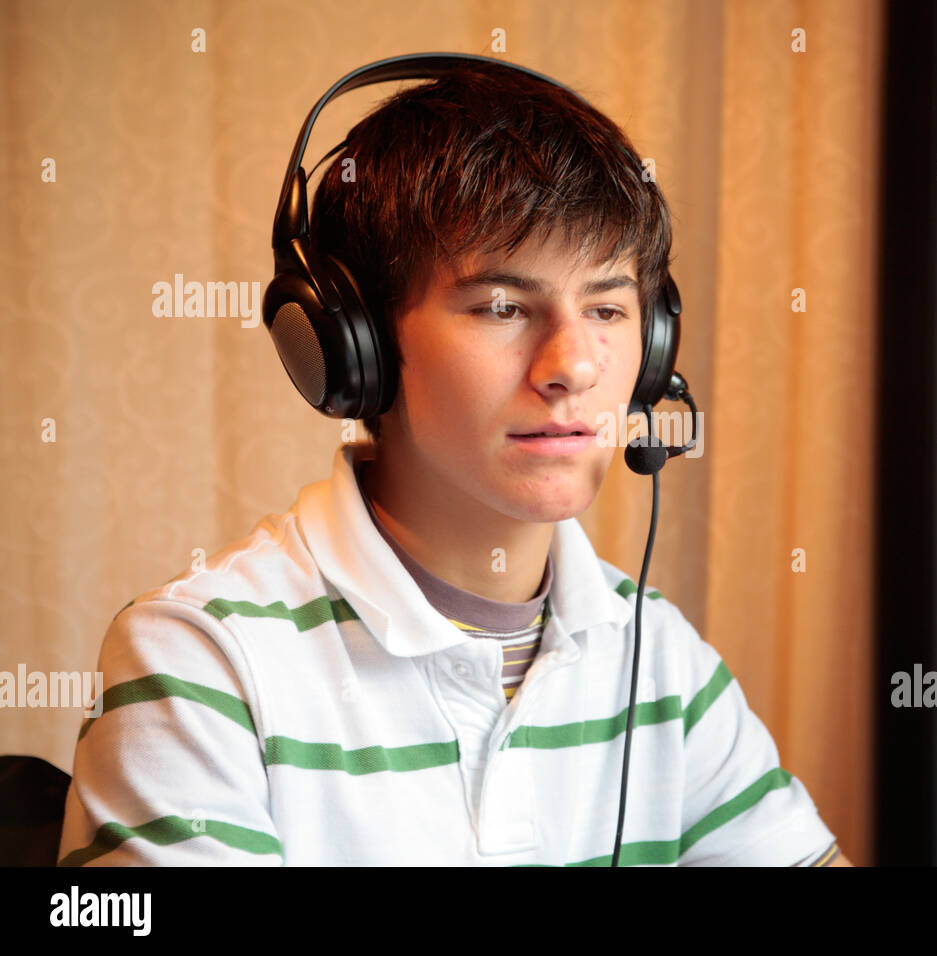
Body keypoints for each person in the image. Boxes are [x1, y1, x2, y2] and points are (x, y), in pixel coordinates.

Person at [57, 57, 851, 867]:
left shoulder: (663, 661)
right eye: (503, 307)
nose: (573, 365)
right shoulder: (198, 660)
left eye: (608, 308)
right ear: (350, 344)